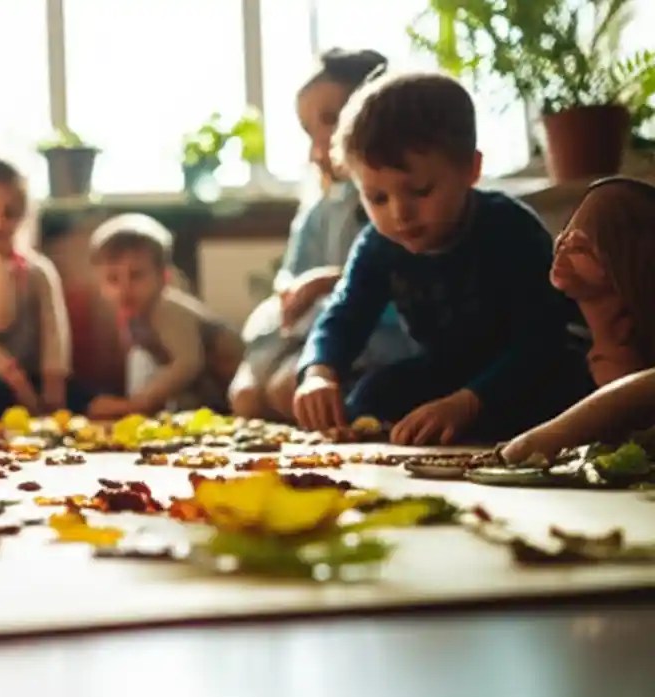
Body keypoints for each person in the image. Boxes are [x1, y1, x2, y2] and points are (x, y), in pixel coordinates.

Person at [292, 72, 593, 445]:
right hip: (447, 372)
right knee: (371, 396)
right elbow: (344, 316)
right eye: (377, 198)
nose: (400, 214)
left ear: (471, 169)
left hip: (528, 368)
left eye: (420, 190)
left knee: (567, 390)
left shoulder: (510, 228)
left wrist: (469, 402)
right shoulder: (378, 244)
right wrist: (319, 371)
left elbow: (540, 338)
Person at [231, 48, 415, 421]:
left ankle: (363, 411)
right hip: (313, 327)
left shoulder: (396, 201)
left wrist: (326, 283)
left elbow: (406, 283)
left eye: (330, 121)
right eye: (309, 131)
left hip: (378, 334)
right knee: (245, 396)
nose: (320, 146)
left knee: (286, 390)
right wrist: (292, 292)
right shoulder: (323, 207)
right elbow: (292, 272)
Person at [501, 178, 655, 462]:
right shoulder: (560, 345)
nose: (563, 245)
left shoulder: (639, 365)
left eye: (583, 246)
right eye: (565, 233)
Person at [0, 157, 94, 419]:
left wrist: (53, 385)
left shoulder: (38, 271)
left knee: (80, 397)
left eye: (9, 213)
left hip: (30, 373)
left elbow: (53, 333)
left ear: (23, 213)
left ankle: (137, 406)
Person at [85, 213, 243, 418]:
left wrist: (139, 403)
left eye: (136, 275)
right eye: (113, 279)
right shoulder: (134, 316)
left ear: (163, 277)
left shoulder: (167, 309)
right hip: (204, 386)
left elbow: (188, 363)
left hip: (228, 381)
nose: (125, 288)